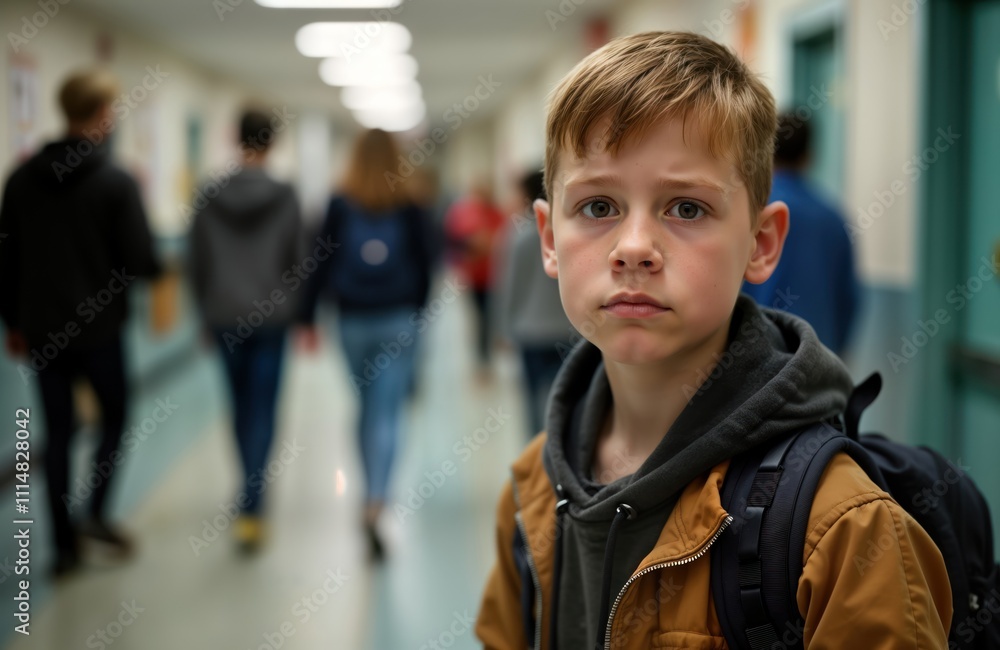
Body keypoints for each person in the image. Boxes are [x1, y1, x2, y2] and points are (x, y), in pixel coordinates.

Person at [475, 32, 951, 649]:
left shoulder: (839, 530)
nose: (634, 248)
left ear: (761, 243)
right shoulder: (533, 489)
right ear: (547, 239)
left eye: (687, 209)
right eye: (597, 207)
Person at [0, 69, 162, 576]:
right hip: (100, 330)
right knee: (114, 417)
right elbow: (141, 260)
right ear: (100, 117)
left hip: (42, 329)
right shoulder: (116, 181)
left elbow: (7, 260)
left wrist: (14, 324)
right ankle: (94, 513)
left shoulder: (21, 179)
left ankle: (63, 546)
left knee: (58, 433)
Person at [300, 128, 432, 561]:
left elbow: (319, 260)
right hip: (397, 317)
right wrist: (418, 310)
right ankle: (377, 500)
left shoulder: (340, 203)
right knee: (387, 412)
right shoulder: (410, 203)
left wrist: (307, 317)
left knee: (364, 407)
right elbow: (427, 260)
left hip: (351, 318)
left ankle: (368, 492)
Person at [187, 109, 303, 554]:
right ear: (272, 142)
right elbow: (298, 259)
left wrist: (203, 311)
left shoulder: (209, 193)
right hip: (272, 318)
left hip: (223, 314)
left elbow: (197, 260)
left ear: (235, 139)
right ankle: (254, 501)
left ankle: (247, 490)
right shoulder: (286, 194)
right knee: (264, 407)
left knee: (237, 405)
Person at [741, 112, 860, 355]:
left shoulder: (750, 211)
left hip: (754, 363)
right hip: (818, 364)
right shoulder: (833, 218)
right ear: (809, 157)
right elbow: (848, 300)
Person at [493, 169, 576, 437]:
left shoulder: (518, 236)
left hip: (531, 333)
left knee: (532, 399)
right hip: (570, 330)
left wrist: (502, 329)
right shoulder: (570, 233)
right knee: (569, 400)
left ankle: (535, 456)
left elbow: (508, 288)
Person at [443, 179, 505, 380]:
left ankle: (486, 359)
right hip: (474, 277)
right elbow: (457, 242)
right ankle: (482, 362)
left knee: (488, 320)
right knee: (479, 321)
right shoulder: (465, 214)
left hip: (494, 277)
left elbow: (502, 242)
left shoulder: (497, 214)